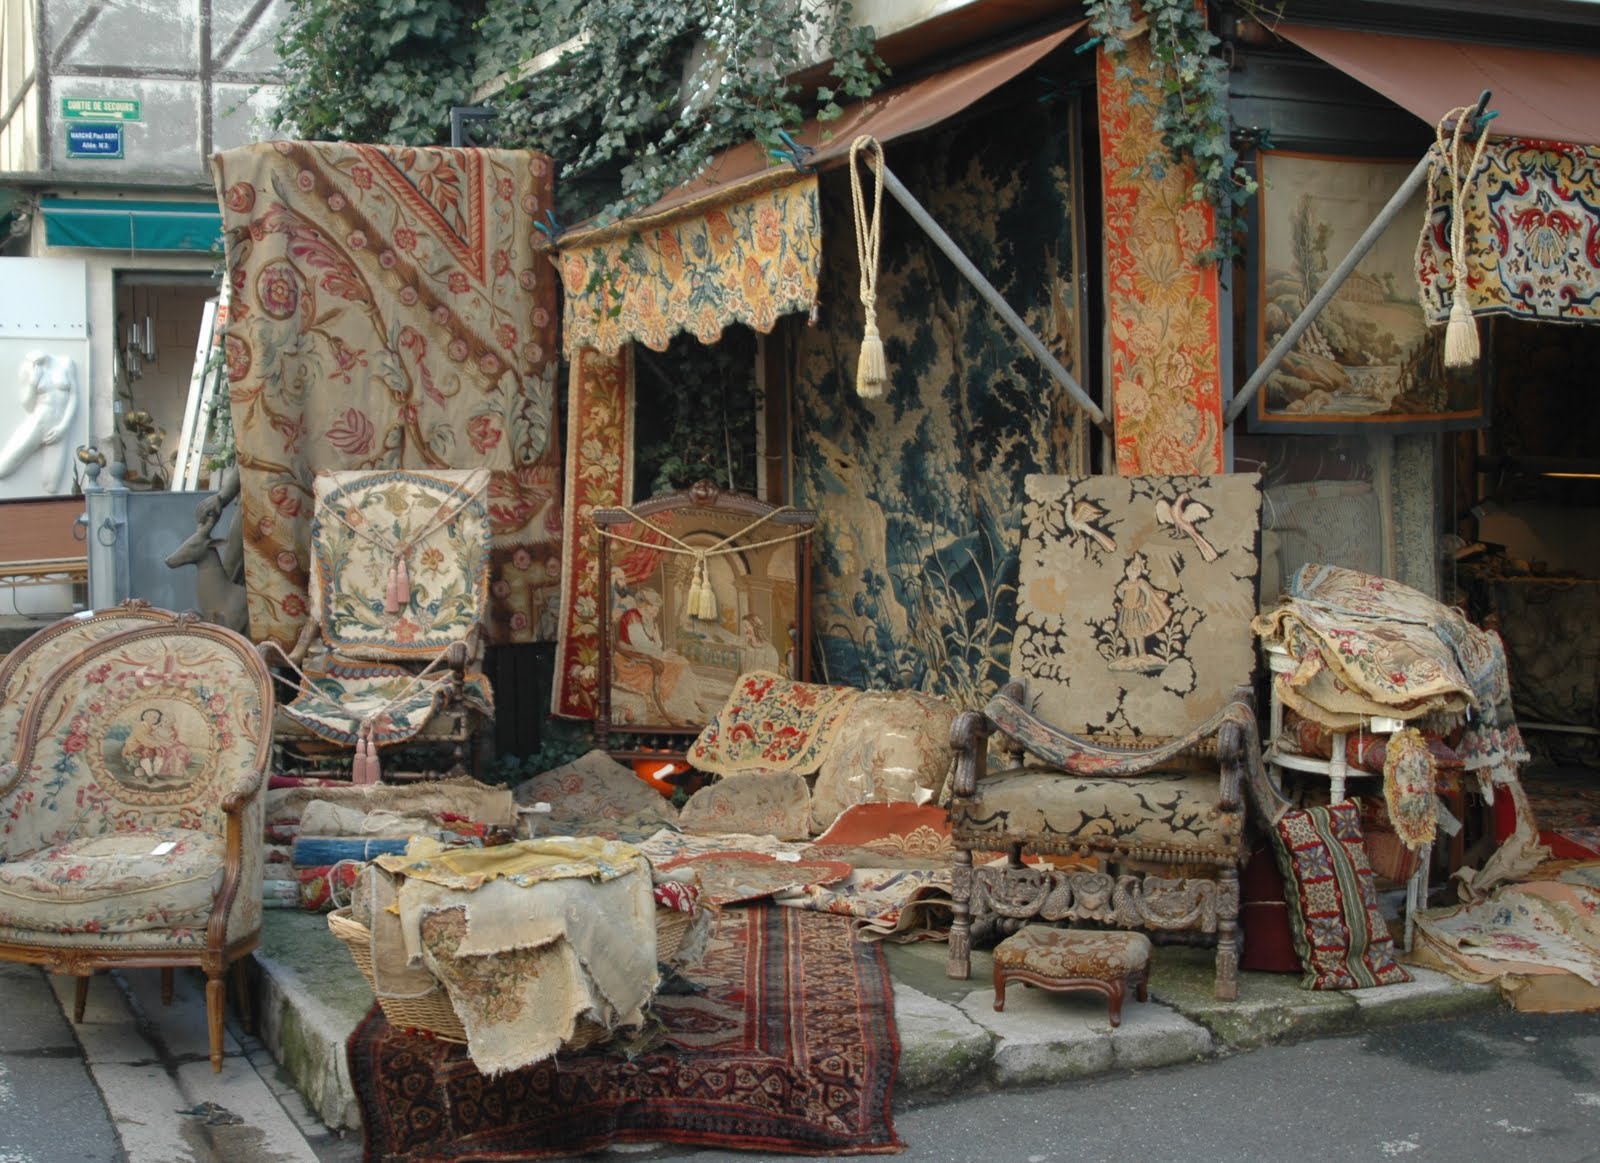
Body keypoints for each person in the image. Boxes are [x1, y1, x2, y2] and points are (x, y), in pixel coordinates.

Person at [0, 352, 78, 494]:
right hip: (39, 422)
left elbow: (74, 397)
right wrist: (33, 383)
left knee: (51, 486)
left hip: (58, 428)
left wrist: (64, 427)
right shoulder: (27, 369)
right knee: (2, 469)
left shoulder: (66, 363)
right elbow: (28, 406)